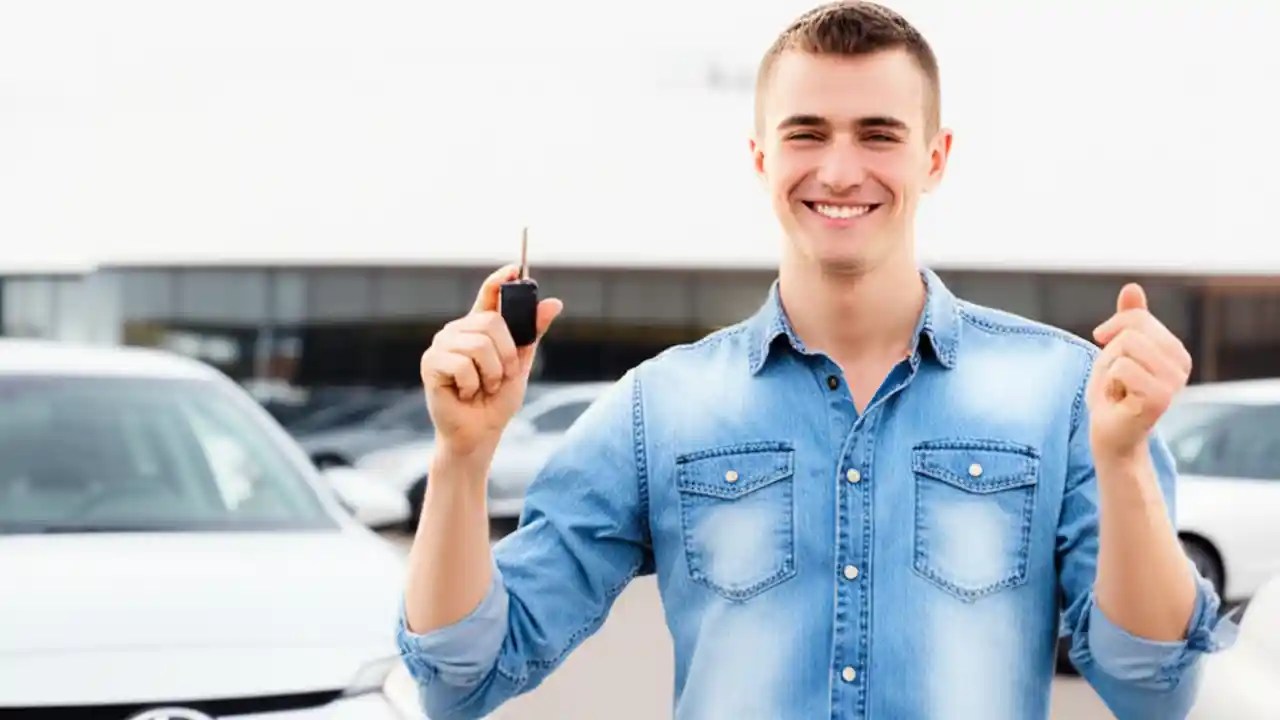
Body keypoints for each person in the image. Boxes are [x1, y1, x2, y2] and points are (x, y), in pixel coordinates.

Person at [397, 2, 1235, 718]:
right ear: (762, 157)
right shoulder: (662, 408)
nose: (840, 170)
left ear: (934, 157)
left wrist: (1121, 462)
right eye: (807, 134)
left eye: (878, 134)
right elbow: (461, 679)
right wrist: (462, 460)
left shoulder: (1065, 398)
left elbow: (1151, 692)